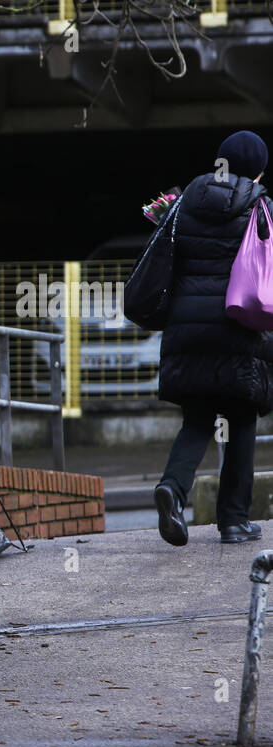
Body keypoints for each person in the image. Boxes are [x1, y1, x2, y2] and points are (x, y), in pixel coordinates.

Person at [155, 130, 272, 546]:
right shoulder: (260, 207)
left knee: (197, 419)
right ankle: (234, 521)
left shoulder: (186, 201)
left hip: (189, 329)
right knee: (240, 421)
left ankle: (173, 487)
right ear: (259, 168)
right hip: (239, 328)